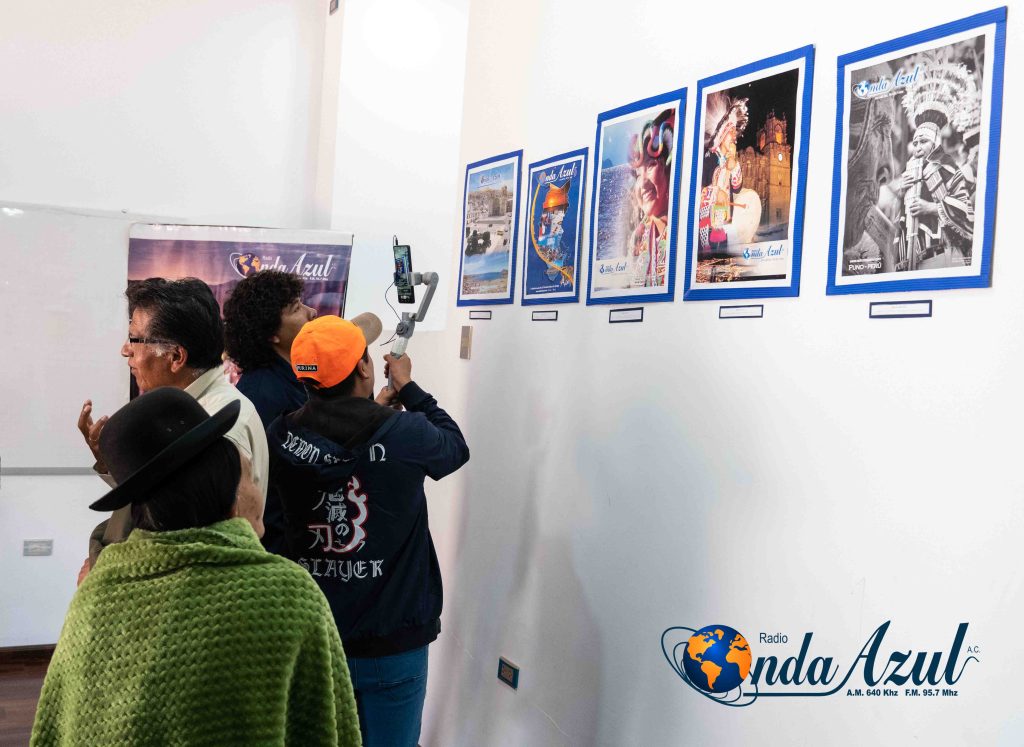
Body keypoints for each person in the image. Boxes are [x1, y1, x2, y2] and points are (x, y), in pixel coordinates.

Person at [33, 388, 361, 746]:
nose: (257, 490)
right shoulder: (288, 596)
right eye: (249, 477)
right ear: (228, 493)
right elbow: (328, 729)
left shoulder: (96, 593)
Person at [268, 315, 470, 747]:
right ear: (363, 367)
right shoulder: (405, 433)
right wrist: (410, 389)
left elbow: (334, 442)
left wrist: (375, 413)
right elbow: (453, 448)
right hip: (393, 641)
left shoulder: (280, 435)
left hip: (315, 641)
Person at [77, 277, 269, 573]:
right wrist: (108, 462)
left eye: (135, 338)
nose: (125, 350)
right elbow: (163, 501)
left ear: (176, 357)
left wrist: (109, 585)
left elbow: (210, 551)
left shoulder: (221, 430)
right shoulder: (183, 413)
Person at [223, 270, 317, 554]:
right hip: (278, 544)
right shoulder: (264, 394)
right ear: (272, 334)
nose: (312, 313)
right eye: (296, 309)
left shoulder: (294, 378)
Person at [627, 107, 674, 287]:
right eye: (638, 174)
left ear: (667, 170)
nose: (643, 182)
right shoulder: (639, 236)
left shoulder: (682, 229)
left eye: (651, 165)